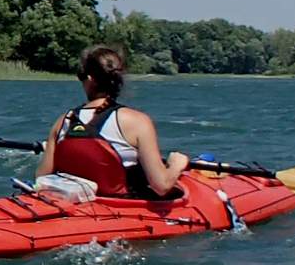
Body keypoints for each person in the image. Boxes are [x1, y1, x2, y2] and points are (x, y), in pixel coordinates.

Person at [35, 44, 189, 199]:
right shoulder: (137, 122)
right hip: (121, 209)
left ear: (89, 79)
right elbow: (161, 186)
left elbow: (41, 179)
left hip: (79, 210)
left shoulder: (63, 122)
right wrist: (176, 164)